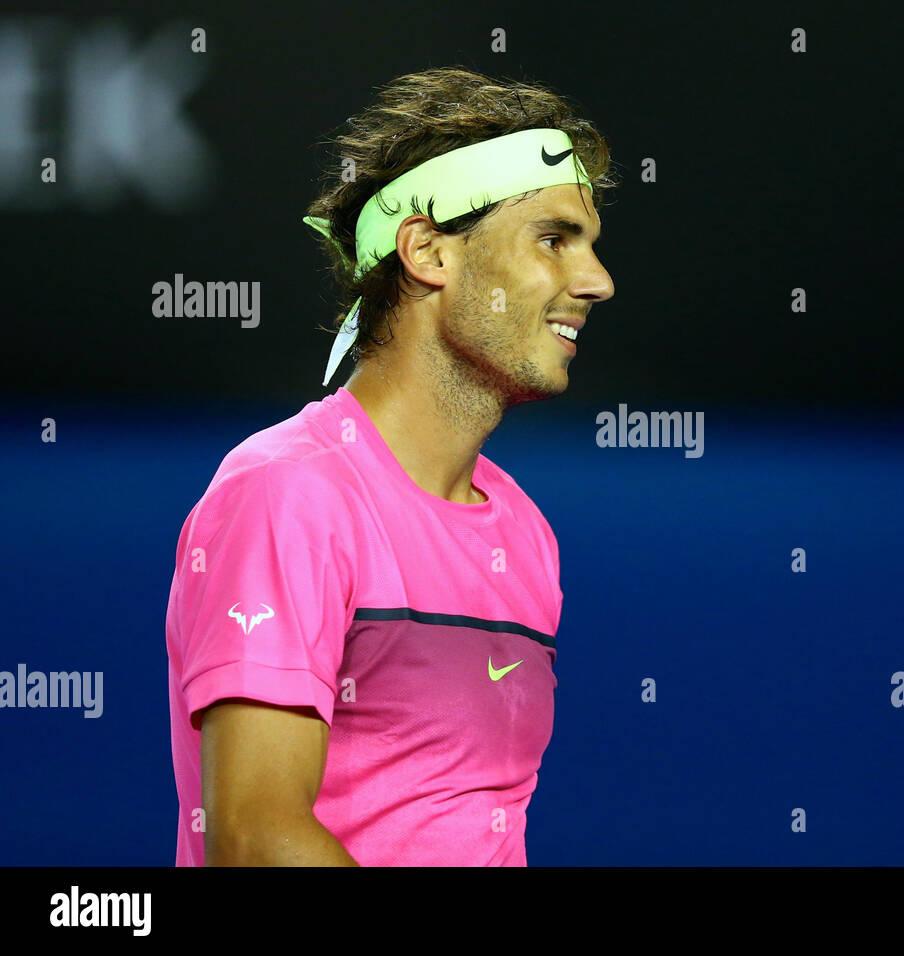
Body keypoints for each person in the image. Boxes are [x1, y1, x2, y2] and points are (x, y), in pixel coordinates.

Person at [163, 66, 616, 865]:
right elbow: (255, 839)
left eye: (589, 246)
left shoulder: (527, 535)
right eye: (552, 239)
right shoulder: (288, 492)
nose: (596, 281)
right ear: (428, 251)